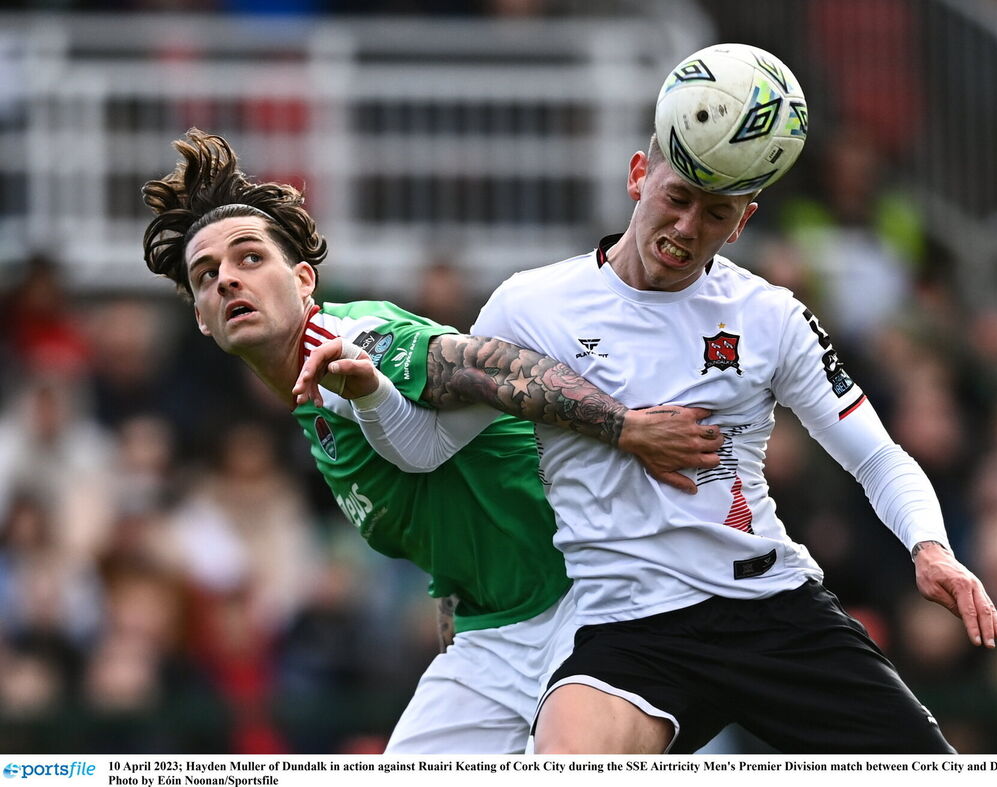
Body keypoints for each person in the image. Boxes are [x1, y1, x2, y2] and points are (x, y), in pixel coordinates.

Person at [140, 129, 722, 753]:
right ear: (201, 317)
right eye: (207, 275)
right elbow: (437, 498)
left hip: (584, 601)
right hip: (493, 635)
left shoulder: (360, 338)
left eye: (250, 258)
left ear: (304, 280)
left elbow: (492, 362)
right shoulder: (311, 406)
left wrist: (627, 428)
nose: (228, 280)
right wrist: (452, 603)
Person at [471, 128, 997, 754]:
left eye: (716, 213)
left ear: (741, 223)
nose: (687, 226)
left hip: (771, 606)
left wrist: (930, 547)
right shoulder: (528, 305)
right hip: (628, 621)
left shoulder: (769, 315)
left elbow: (876, 455)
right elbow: (442, 444)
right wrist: (369, 396)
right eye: (676, 197)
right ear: (638, 174)